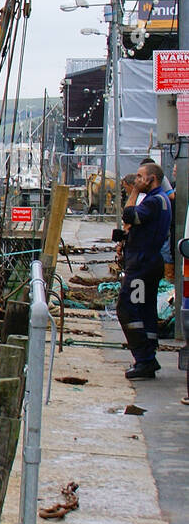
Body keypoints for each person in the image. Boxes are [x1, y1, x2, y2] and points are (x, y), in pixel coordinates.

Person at [115, 162, 172, 380]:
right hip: (149, 263)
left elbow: (129, 215)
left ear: (152, 179)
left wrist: (135, 192)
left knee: (129, 308)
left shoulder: (153, 202)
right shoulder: (162, 200)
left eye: (140, 177)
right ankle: (149, 353)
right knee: (146, 309)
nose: (137, 180)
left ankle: (144, 358)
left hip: (141, 265)